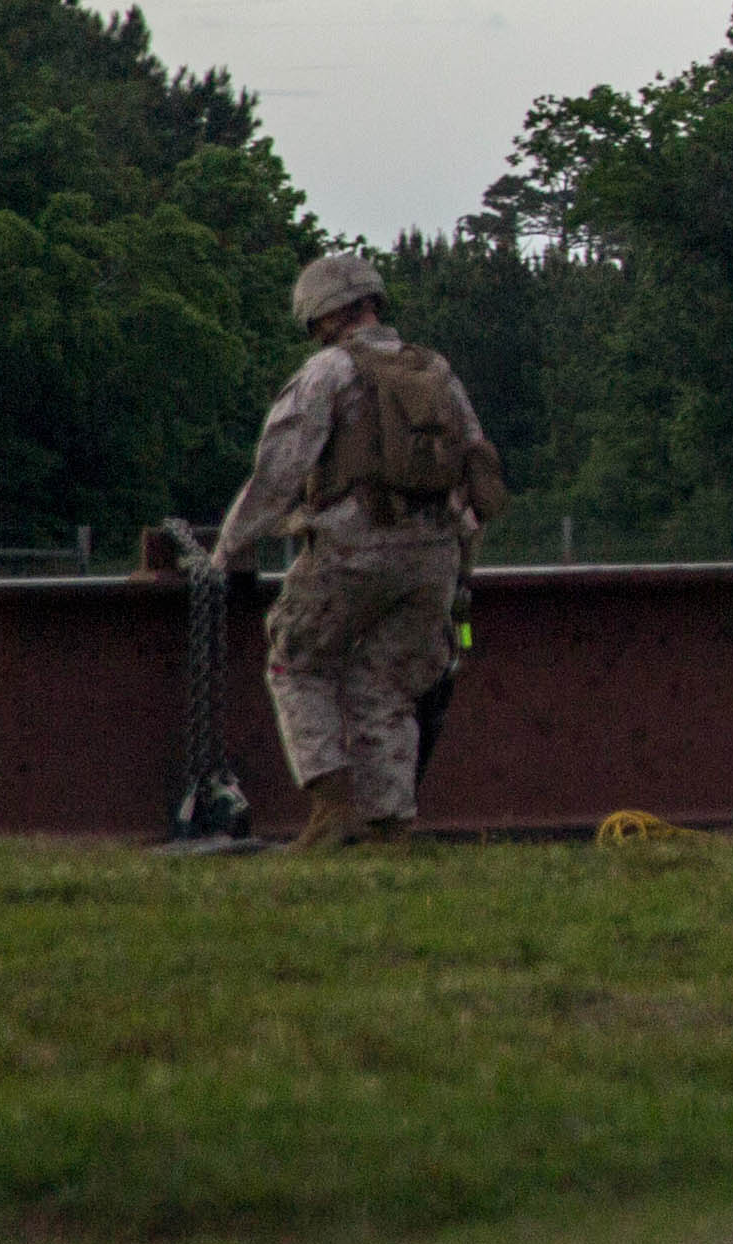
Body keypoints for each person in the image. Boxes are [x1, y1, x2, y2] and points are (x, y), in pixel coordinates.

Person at [176, 247, 503, 849]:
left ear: (323, 316)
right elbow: (478, 466)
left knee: (294, 660)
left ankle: (332, 810)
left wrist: (227, 552)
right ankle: (391, 828)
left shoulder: (327, 372)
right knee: (385, 686)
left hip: (353, 552)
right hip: (436, 555)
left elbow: (278, 472)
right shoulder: (436, 370)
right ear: (374, 302)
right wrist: (462, 565)